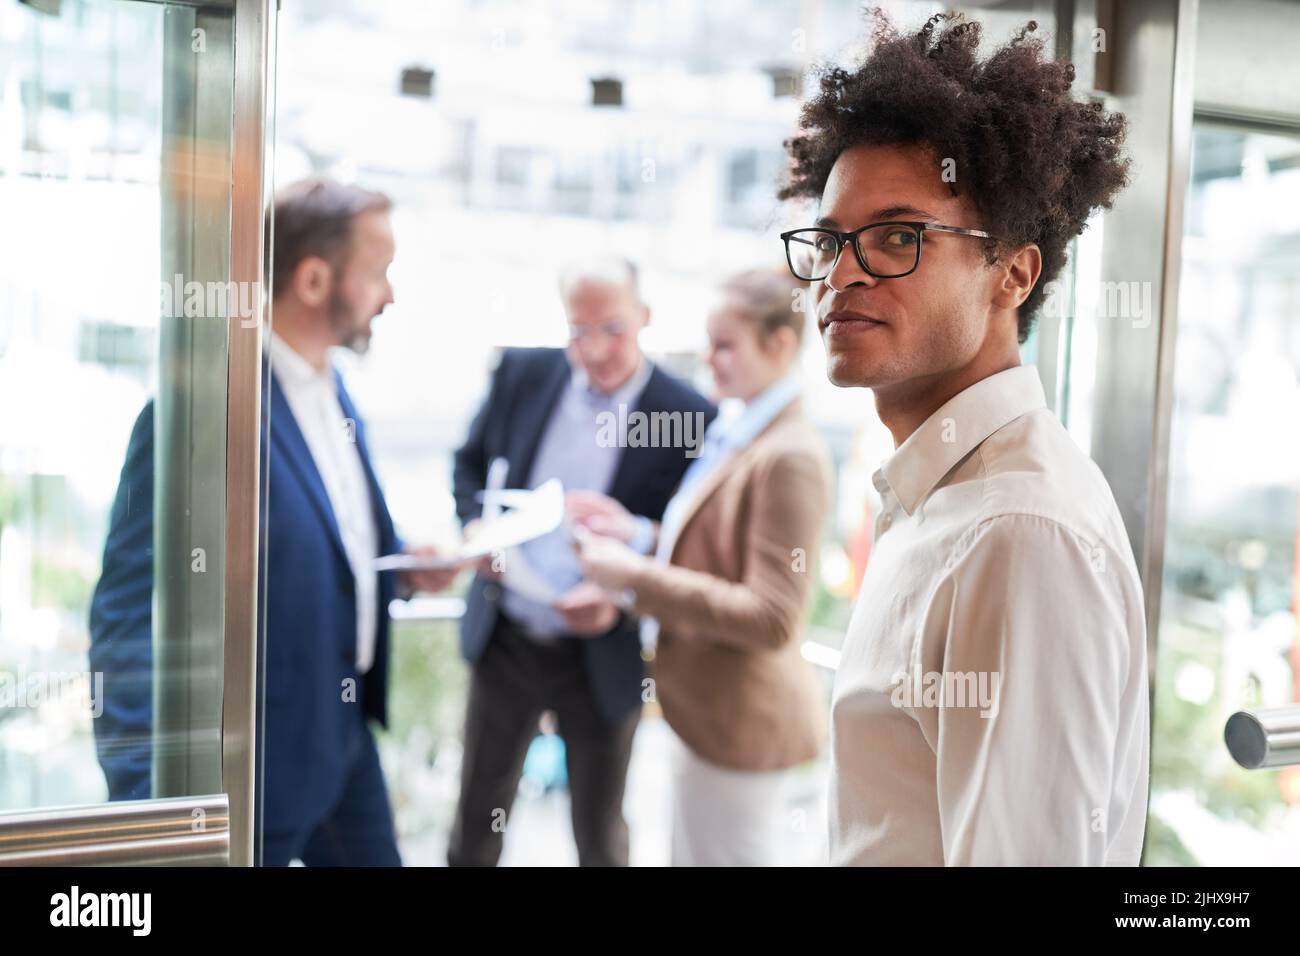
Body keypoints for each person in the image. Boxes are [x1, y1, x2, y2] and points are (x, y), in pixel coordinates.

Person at [777, 12, 1149, 865]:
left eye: (899, 237)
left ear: (1013, 275)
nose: (843, 272)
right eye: (830, 240)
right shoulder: (940, 495)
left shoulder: (1017, 531)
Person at [89, 178, 457, 865]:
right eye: (379, 273)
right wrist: (150, 804)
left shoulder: (334, 388)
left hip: (345, 739)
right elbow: (126, 616)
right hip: (256, 767)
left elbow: (332, 542)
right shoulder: (205, 414)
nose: (391, 295)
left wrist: (402, 565)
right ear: (314, 279)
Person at [448, 257, 715, 866]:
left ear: (644, 318)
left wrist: (621, 596)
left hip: (603, 651)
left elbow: (687, 542)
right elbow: (467, 463)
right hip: (506, 638)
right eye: (578, 330)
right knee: (476, 818)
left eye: (612, 330)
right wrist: (474, 528)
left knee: (599, 832)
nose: (594, 350)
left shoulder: (687, 414)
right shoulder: (521, 372)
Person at [573, 267, 831, 866]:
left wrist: (631, 578)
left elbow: (771, 615)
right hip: (707, 714)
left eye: (724, 345)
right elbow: (719, 549)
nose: (708, 360)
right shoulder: (743, 426)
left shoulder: (789, 455)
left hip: (740, 725)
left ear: (780, 345)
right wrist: (637, 535)